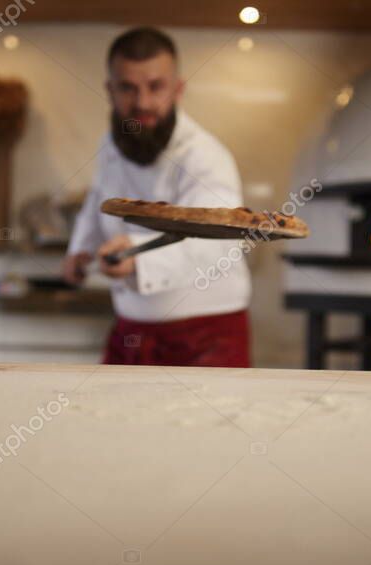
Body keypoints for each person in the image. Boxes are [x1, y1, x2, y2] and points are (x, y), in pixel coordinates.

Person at [62, 27, 251, 367]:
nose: (142, 103)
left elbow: (218, 239)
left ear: (178, 89)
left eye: (156, 87)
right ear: (110, 90)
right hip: (130, 325)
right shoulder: (111, 143)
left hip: (207, 333)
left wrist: (137, 257)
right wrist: (80, 248)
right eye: (128, 88)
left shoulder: (205, 155)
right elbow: (99, 201)